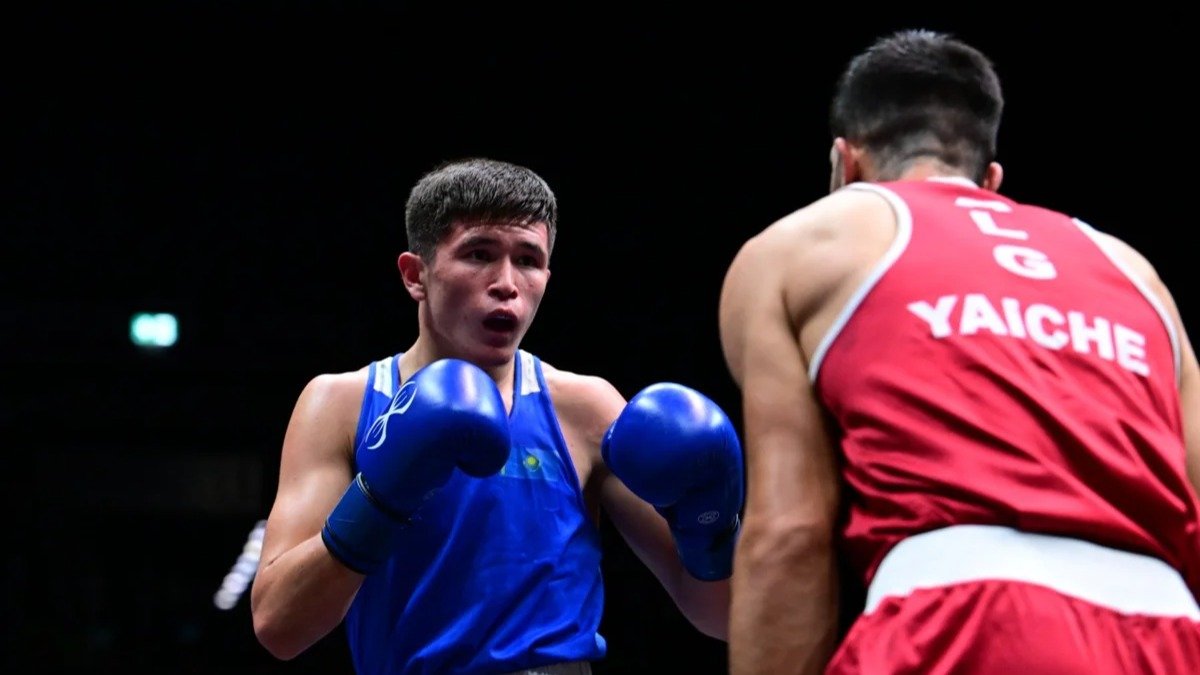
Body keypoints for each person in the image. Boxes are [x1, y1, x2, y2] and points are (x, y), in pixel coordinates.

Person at [718, 28, 1200, 675]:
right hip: (1172, 636)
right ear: (991, 180)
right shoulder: (1134, 273)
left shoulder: (807, 244)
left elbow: (792, 531)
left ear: (845, 163)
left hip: (963, 625)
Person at [249, 157, 744, 675]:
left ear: (546, 277)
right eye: (479, 254)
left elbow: (723, 615)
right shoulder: (341, 404)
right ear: (416, 275)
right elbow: (279, 626)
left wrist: (712, 523)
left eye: (528, 260)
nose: (507, 282)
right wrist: (381, 496)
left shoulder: (585, 408)